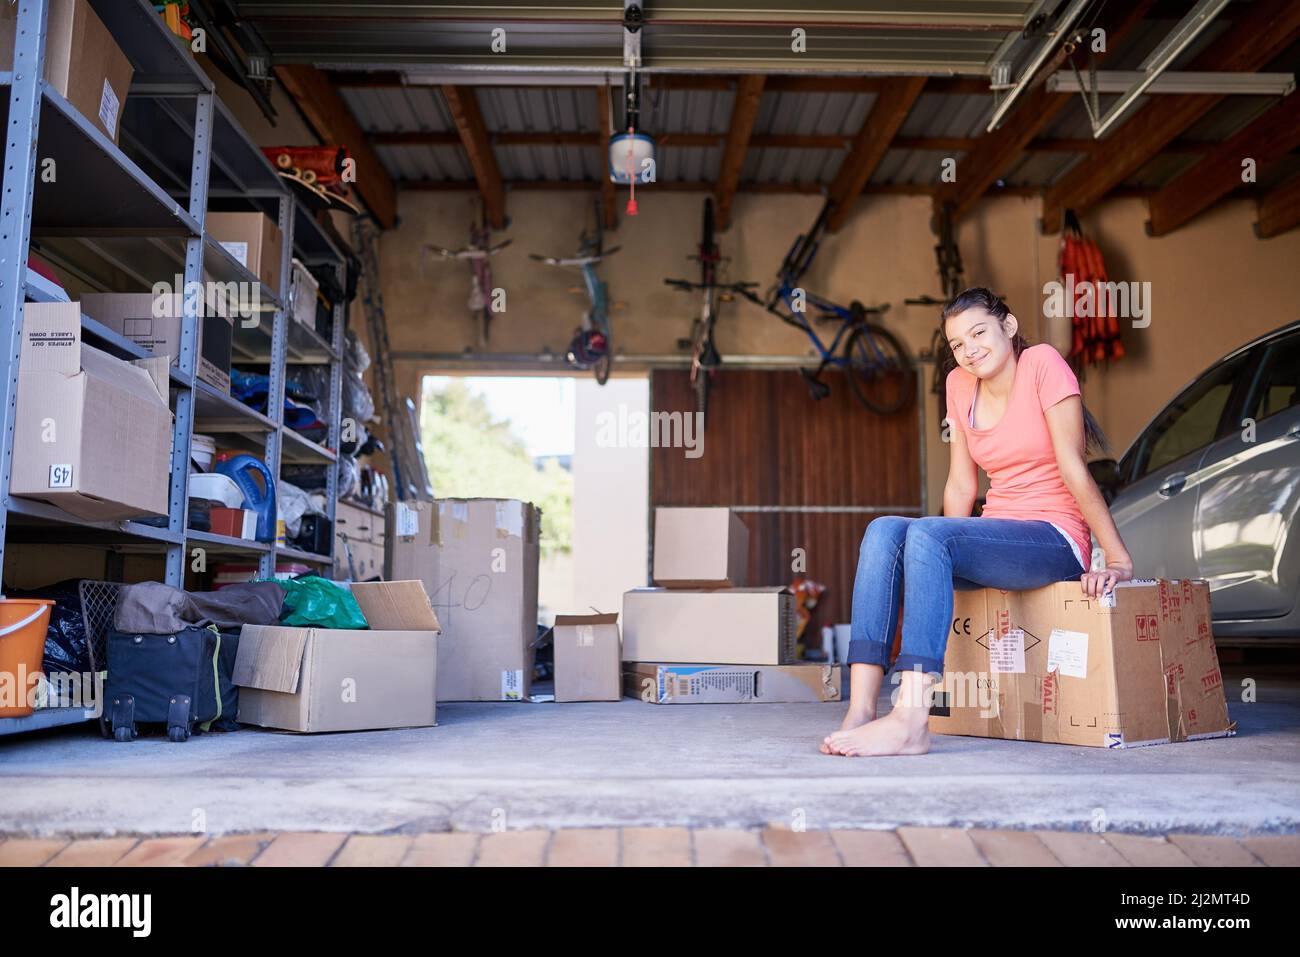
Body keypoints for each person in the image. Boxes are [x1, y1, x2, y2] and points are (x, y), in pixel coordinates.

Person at [822, 287, 1133, 757]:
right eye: (957, 344)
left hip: (1054, 539)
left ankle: (910, 719)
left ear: (1007, 327)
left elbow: (1074, 468)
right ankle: (861, 709)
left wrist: (1116, 556)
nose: (970, 350)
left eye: (979, 333)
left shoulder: (1042, 363)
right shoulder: (958, 385)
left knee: (928, 534)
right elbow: (961, 485)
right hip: (999, 539)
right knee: (884, 530)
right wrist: (941, 555)